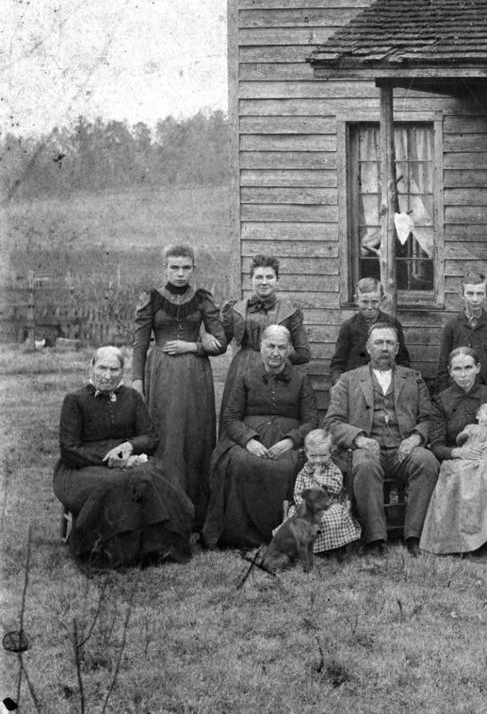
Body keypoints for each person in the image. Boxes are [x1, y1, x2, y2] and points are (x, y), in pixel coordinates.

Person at [54, 347, 194, 567]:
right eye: (102, 368)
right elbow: (69, 449)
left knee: (155, 477)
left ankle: (157, 546)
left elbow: (151, 437)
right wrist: (107, 459)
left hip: (129, 462)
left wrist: (130, 445)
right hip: (81, 467)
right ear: (91, 367)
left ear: (122, 371)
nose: (107, 375)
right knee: (115, 483)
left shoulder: (132, 397)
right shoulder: (75, 400)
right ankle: (110, 552)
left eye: (114, 369)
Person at [132, 243, 228, 529]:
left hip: (194, 374)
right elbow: (139, 343)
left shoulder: (202, 299)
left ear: (194, 268)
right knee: (166, 435)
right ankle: (164, 513)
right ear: (165, 268)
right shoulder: (151, 299)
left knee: (194, 435)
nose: (180, 273)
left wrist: (195, 345)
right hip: (160, 372)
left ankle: (196, 515)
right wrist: (137, 379)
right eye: (174, 267)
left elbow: (220, 343)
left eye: (186, 267)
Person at [325, 321, 438, 557]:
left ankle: (414, 535)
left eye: (389, 343)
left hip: (403, 450)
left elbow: (429, 417)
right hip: (368, 447)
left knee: (427, 461)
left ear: (397, 348)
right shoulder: (348, 379)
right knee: (365, 465)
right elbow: (332, 423)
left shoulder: (413, 378)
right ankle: (375, 539)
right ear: (368, 346)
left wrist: (416, 437)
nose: (384, 348)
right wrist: (359, 440)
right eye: (379, 343)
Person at [202, 324, 317, 549]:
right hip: (249, 440)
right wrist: (249, 441)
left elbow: (311, 420)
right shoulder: (246, 377)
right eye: (270, 346)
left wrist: (291, 440)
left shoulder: (300, 380)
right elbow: (231, 417)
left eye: (282, 347)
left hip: (285, 443)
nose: (276, 353)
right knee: (239, 463)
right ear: (262, 347)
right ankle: (239, 534)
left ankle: (281, 533)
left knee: (286, 467)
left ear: (289, 349)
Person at [422, 347, 487, 555]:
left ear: (477, 368)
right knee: (458, 473)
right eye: (457, 369)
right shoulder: (442, 400)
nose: (463, 374)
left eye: (468, 367)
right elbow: (437, 444)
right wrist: (459, 453)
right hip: (461, 456)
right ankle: (462, 540)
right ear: (450, 371)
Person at [219, 254, 310, 416]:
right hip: (242, 368)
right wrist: (203, 338)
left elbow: (304, 353)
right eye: (258, 277)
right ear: (251, 280)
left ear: (277, 280)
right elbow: (220, 343)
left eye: (269, 277)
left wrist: (279, 357)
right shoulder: (236, 310)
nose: (264, 282)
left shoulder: (290, 312)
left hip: (278, 370)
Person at [435, 272, 487, 399]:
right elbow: (443, 368)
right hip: (459, 392)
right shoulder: (452, 327)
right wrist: (444, 398)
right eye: (470, 293)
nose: (475, 299)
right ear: (461, 295)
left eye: (480, 293)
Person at [292, 428, 360, 558]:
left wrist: (319, 479)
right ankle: (307, 549)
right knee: (299, 519)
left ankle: (331, 549)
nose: (318, 460)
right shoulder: (304, 472)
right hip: (307, 507)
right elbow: (298, 492)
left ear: (330, 453)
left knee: (330, 518)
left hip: (330, 504)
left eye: (322, 455)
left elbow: (337, 488)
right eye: (313, 456)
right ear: (306, 454)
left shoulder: (334, 470)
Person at [330, 277, 410, 384]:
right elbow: (338, 363)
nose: (369, 307)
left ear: (383, 299)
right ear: (356, 300)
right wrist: (339, 384)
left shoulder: (393, 324)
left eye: (374, 302)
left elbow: (402, 360)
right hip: (356, 384)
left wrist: (400, 383)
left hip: (386, 383)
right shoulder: (348, 326)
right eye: (364, 302)